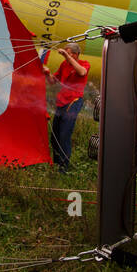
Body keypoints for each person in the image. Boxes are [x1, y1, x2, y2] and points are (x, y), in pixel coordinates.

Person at [43, 43, 90, 174]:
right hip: (61, 102)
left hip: (73, 102)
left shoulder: (84, 64)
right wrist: (47, 73)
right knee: (55, 136)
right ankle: (57, 165)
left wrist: (66, 56)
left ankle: (64, 168)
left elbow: (82, 72)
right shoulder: (64, 65)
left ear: (75, 55)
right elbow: (53, 81)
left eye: (69, 54)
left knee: (64, 134)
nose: (66, 57)